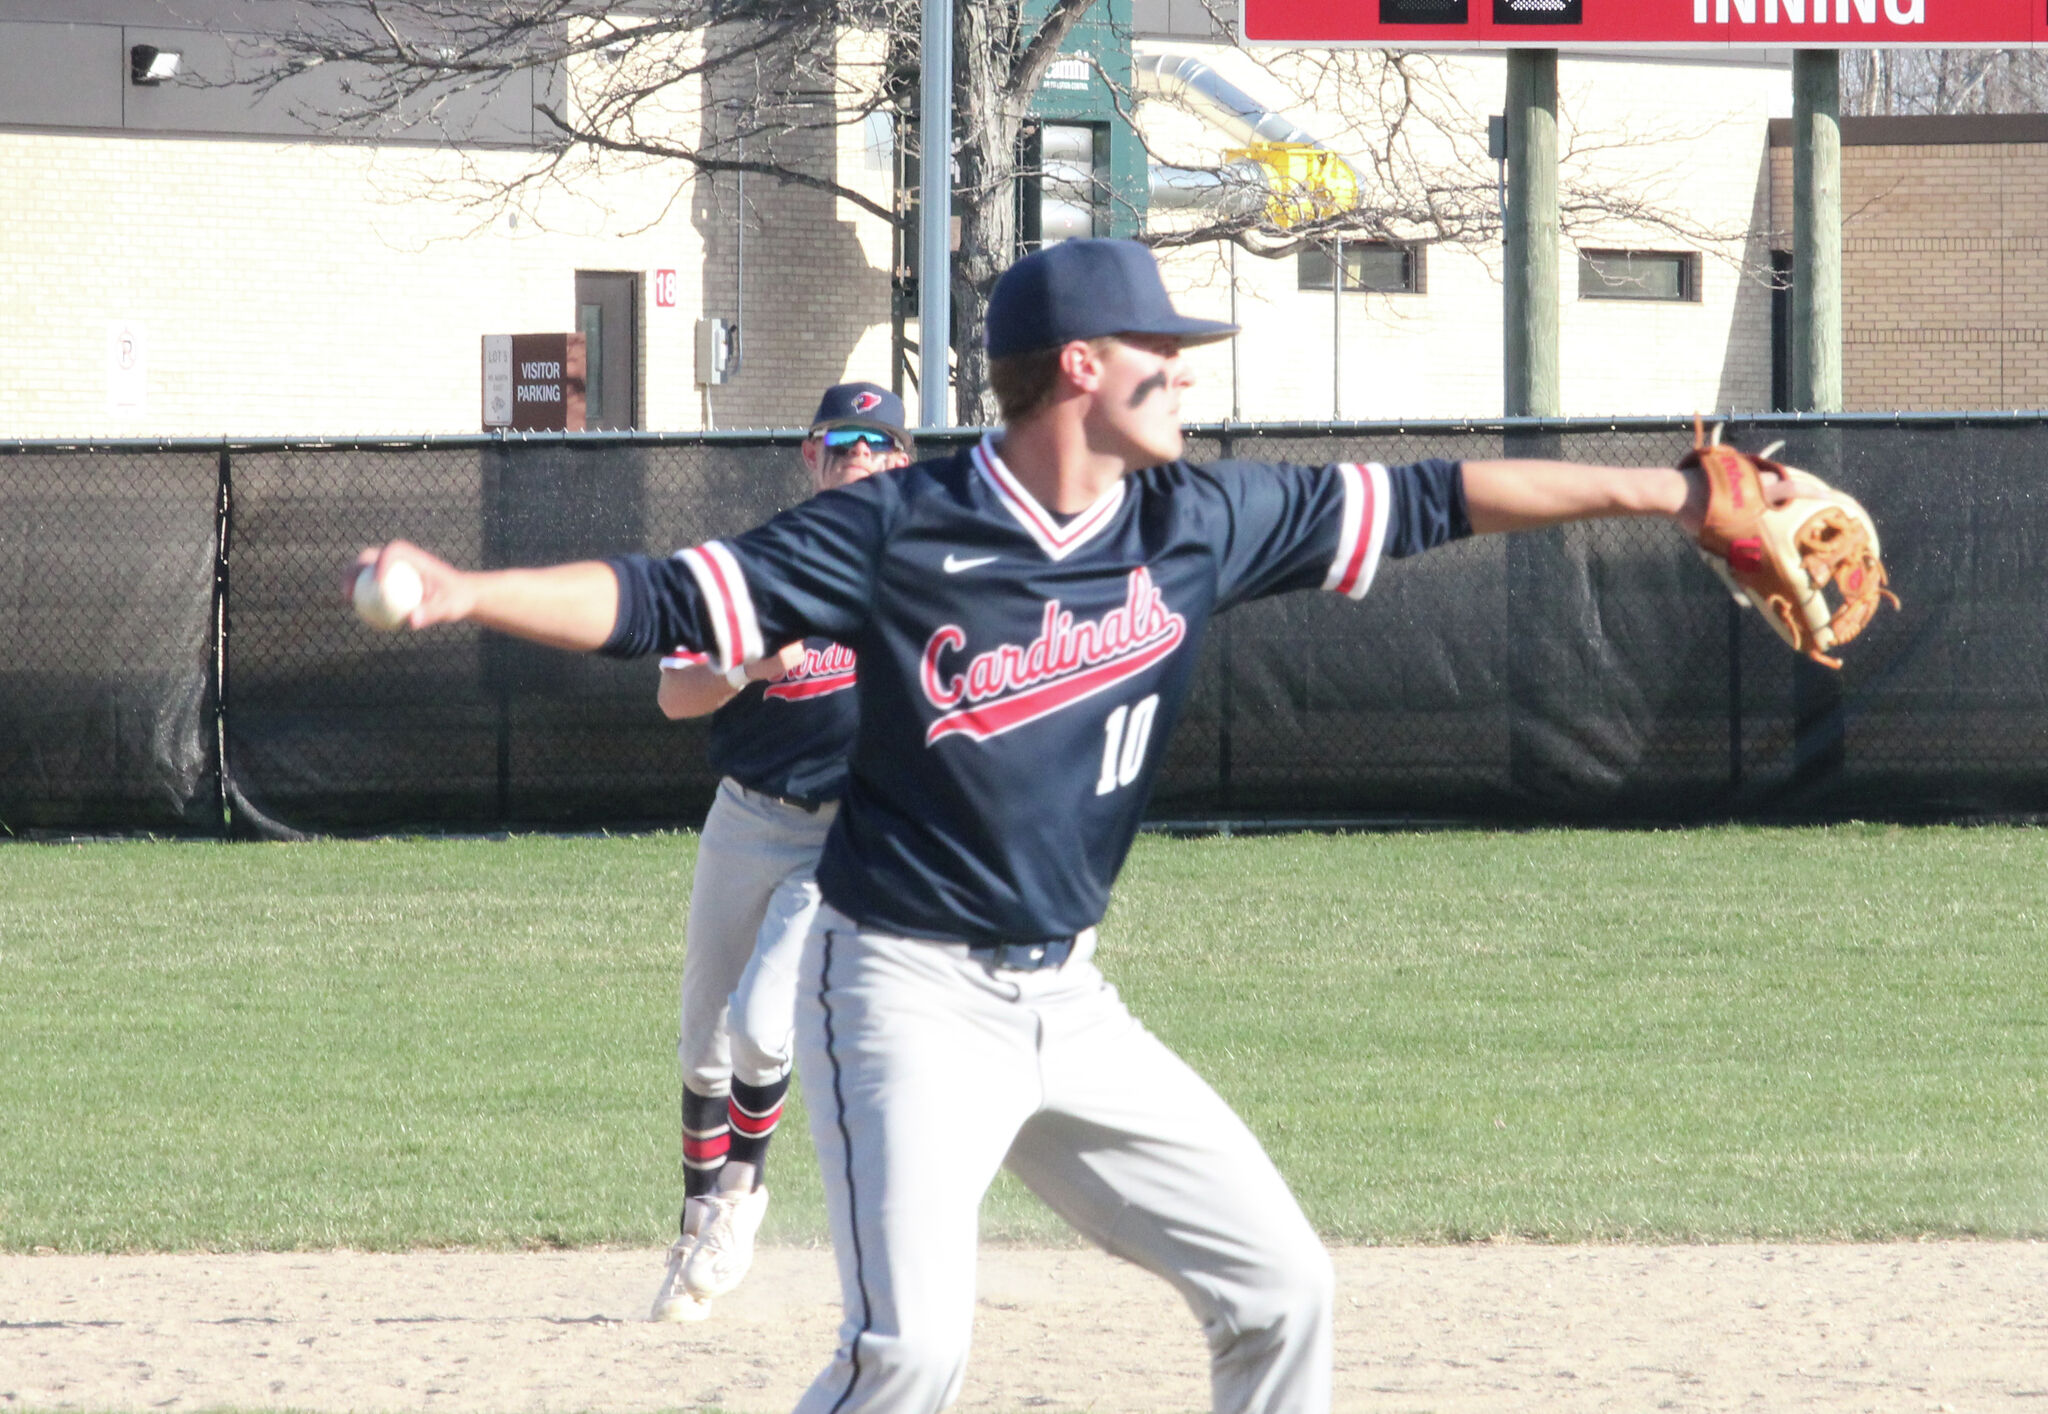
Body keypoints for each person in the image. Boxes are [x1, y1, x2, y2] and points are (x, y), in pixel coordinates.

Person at [350, 238, 1783, 1413]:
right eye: (1162, 350)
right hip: (901, 996)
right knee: (907, 1356)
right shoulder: (894, 529)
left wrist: (1671, 493)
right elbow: (663, 599)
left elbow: (1430, 499)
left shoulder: (1194, 520)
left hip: (1073, 1003)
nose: (1186, 374)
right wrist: (468, 592)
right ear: (1082, 367)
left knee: (1283, 1291)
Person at [648, 383, 912, 1322]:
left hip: (840, 835)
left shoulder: (922, 575)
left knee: (765, 1025)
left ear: (902, 462)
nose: (860, 456)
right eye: (843, 441)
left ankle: (739, 1199)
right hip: (744, 816)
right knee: (703, 1048)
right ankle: (695, 1225)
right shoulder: (758, 565)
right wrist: (747, 666)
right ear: (811, 456)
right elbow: (674, 696)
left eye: (879, 443)